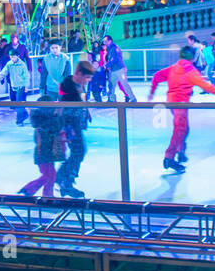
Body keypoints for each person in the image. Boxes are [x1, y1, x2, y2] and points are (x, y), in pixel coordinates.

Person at [148, 46, 215, 173]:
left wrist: (152, 91)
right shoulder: (190, 71)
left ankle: (181, 151)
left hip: (173, 102)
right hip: (181, 103)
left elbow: (157, 76)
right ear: (192, 57)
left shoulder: (174, 68)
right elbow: (205, 86)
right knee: (180, 129)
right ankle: (169, 157)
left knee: (183, 128)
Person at [55, 59, 95, 198]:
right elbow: (61, 106)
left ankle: (64, 179)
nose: (89, 80)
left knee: (78, 151)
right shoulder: (68, 86)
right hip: (70, 124)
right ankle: (65, 180)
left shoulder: (78, 84)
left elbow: (82, 98)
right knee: (79, 150)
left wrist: (87, 111)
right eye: (87, 77)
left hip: (77, 122)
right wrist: (63, 128)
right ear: (78, 73)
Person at [19, 91, 65, 197]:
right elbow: (54, 128)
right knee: (50, 175)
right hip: (43, 151)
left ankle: (32, 191)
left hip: (48, 151)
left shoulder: (45, 120)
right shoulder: (42, 123)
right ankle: (44, 195)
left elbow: (57, 127)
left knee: (49, 175)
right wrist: (58, 115)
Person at [0, 46, 32, 124]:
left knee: (18, 103)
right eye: (11, 57)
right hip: (13, 86)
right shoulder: (9, 64)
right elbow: (3, 72)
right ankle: (25, 114)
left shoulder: (22, 65)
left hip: (21, 86)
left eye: (14, 57)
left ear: (18, 56)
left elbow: (26, 76)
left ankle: (19, 120)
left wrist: (26, 86)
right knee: (18, 103)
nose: (12, 59)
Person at [102, 34, 137, 102]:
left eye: (105, 41)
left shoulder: (115, 48)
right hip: (113, 70)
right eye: (104, 41)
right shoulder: (108, 49)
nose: (104, 43)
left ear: (110, 41)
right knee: (111, 85)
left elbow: (115, 59)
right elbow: (109, 59)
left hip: (120, 69)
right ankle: (112, 99)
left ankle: (132, 98)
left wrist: (106, 66)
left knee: (124, 84)